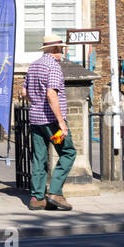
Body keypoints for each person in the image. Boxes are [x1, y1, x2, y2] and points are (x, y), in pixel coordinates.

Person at [24, 34, 74, 210]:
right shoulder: (53, 67)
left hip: (36, 121)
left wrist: (37, 103)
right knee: (67, 152)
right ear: (54, 50)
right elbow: (51, 94)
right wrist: (61, 122)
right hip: (52, 122)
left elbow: (24, 93)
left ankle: (37, 198)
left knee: (39, 157)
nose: (62, 52)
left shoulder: (33, 66)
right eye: (61, 49)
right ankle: (55, 193)